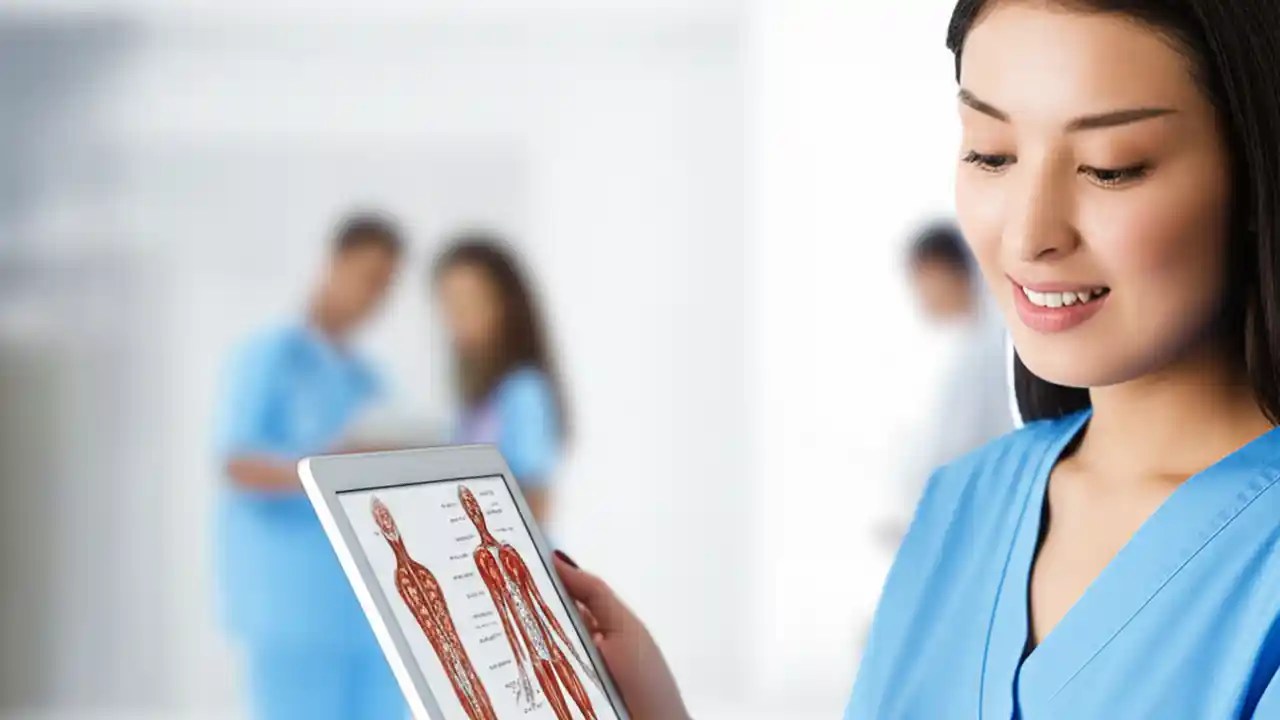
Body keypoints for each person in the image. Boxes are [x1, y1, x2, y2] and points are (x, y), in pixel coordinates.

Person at [550, 0, 1280, 717]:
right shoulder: (966, 502)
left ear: (1253, 171)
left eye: (1110, 168)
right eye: (990, 154)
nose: (1028, 234)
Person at [212, 212, 405, 720]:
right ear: (334, 264)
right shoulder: (270, 358)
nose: (374, 297)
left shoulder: (370, 381)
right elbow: (237, 464)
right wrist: (327, 466)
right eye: (368, 278)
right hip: (292, 605)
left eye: (386, 286)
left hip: (367, 612)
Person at [880, 221, 1015, 546]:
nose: (918, 295)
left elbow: (959, 451)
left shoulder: (988, 350)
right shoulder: (975, 345)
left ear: (940, 270)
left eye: (919, 280)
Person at [430, 234, 570, 526]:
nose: (458, 317)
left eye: (471, 300)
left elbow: (537, 501)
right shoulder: (477, 403)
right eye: (449, 303)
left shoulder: (524, 391)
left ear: (505, 304)